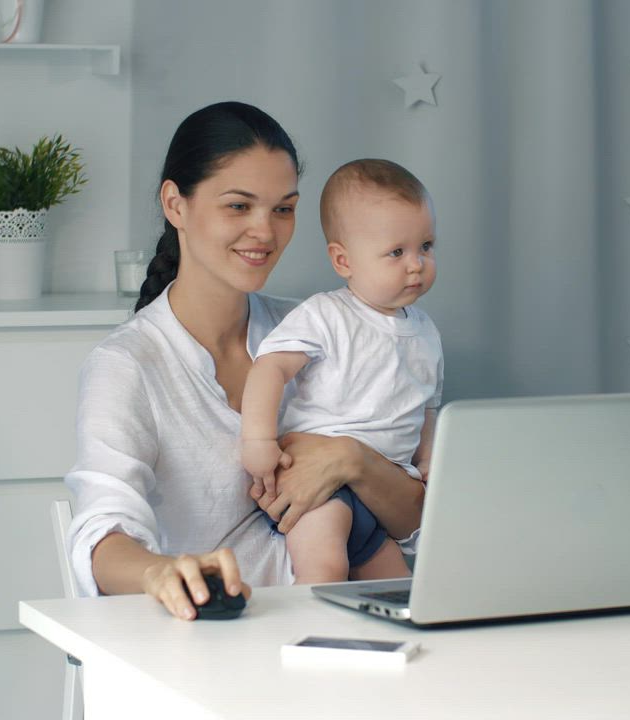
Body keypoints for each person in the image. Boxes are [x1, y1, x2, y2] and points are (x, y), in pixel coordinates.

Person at [64, 102, 425, 620]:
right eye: (239, 206)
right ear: (176, 204)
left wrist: (351, 458)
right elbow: (103, 533)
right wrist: (158, 571)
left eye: (283, 208)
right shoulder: (128, 364)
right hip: (221, 647)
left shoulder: (322, 329)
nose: (266, 231)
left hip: (348, 635)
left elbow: (412, 517)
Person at [240, 159, 441, 584]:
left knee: (397, 588)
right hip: (319, 490)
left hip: (382, 490)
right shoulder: (327, 314)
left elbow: (427, 407)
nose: (416, 265)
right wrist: (257, 440)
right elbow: (270, 368)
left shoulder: (425, 333)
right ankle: (313, 644)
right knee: (325, 571)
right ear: (344, 260)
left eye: (425, 246)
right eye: (396, 252)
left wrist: (427, 456)